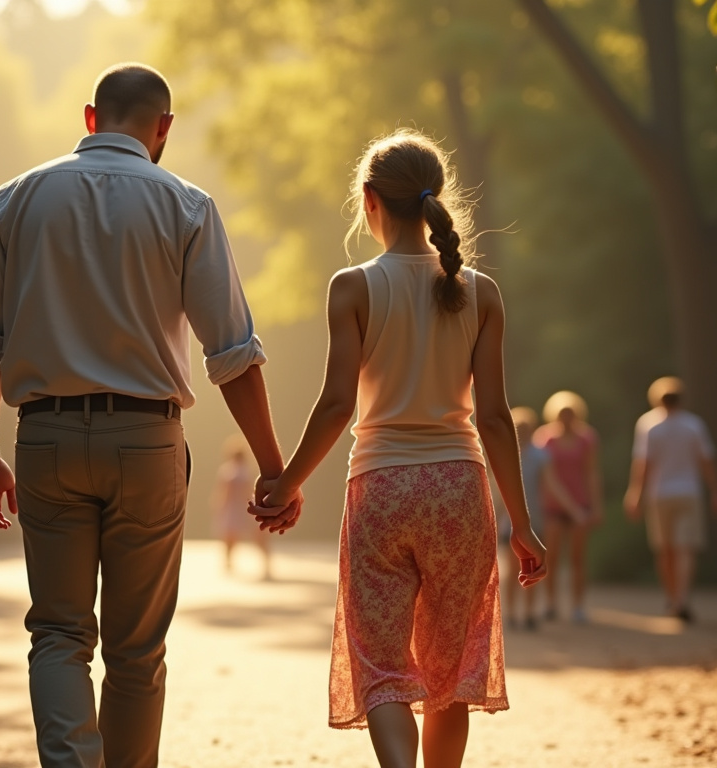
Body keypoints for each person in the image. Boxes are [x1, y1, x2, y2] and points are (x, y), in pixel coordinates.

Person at [0, 62, 299, 768]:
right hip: (147, 441)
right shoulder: (188, 205)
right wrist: (273, 469)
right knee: (137, 649)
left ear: (90, 118)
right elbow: (233, 354)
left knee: (57, 634)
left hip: (45, 437)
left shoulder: (16, 198)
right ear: (163, 128)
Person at [250, 129, 547, 768]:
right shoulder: (482, 292)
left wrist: (288, 482)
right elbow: (495, 417)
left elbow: (336, 405)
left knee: (383, 667)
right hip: (458, 493)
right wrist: (520, 523)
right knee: (450, 672)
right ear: (434, 198)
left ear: (368, 200)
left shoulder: (352, 287)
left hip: (380, 489)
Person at [623, 376, 717, 623]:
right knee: (685, 549)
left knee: (664, 549)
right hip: (689, 492)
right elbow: (706, 461)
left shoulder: (648, 425)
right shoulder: (694, 425)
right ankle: (682, 599)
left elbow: (642, 464)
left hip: (660, 495)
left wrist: (635, 493)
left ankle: (672, 598)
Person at [502, 407, 581, 631]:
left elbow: (553, 485)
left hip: (534, 519)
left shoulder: (540, 456)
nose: (522, 433)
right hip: (508, 521)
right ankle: (511, 614)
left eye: (525, 429)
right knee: (511, 566)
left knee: (531, 566)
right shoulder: (505, 453)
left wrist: (574, 510)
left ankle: (528, 613)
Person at [533, 390, 602, 624]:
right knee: (550, 556)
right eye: (562, 413)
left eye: (570, 413)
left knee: (577, 558)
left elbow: (592, 473)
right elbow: (540, 474)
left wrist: (596, 506)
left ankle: (578, 605)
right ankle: (551, 603)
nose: (566, 418)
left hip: (580, 504)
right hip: (551, 506)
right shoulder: (545, 439)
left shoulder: (587, 438)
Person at [213, 437, 271, 579]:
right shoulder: (245, 470)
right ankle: (230, 563)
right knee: (241, 535)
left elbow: (224, 491)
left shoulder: (228, 470)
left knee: (231, 535)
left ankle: (229, 563)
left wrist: (219, 506)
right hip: (243, 505)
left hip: (235, 506)